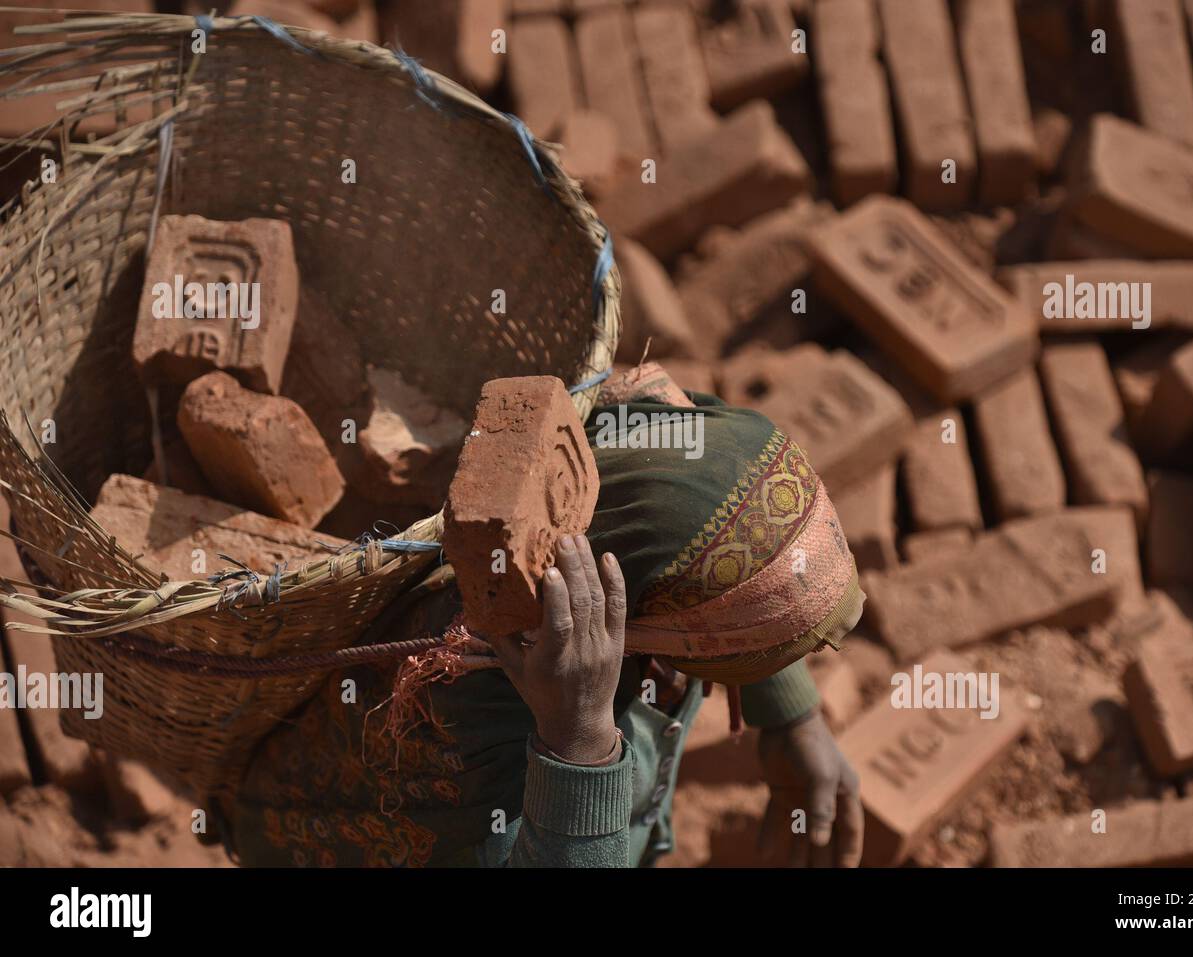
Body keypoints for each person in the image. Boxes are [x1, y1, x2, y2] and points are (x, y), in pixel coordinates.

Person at [227, 367, 867, 867]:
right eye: (743, 657)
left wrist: (794, 715)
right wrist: (579, 745)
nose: (725, 671)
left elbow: (692, 492)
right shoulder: (471, 707)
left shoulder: (629, 493)